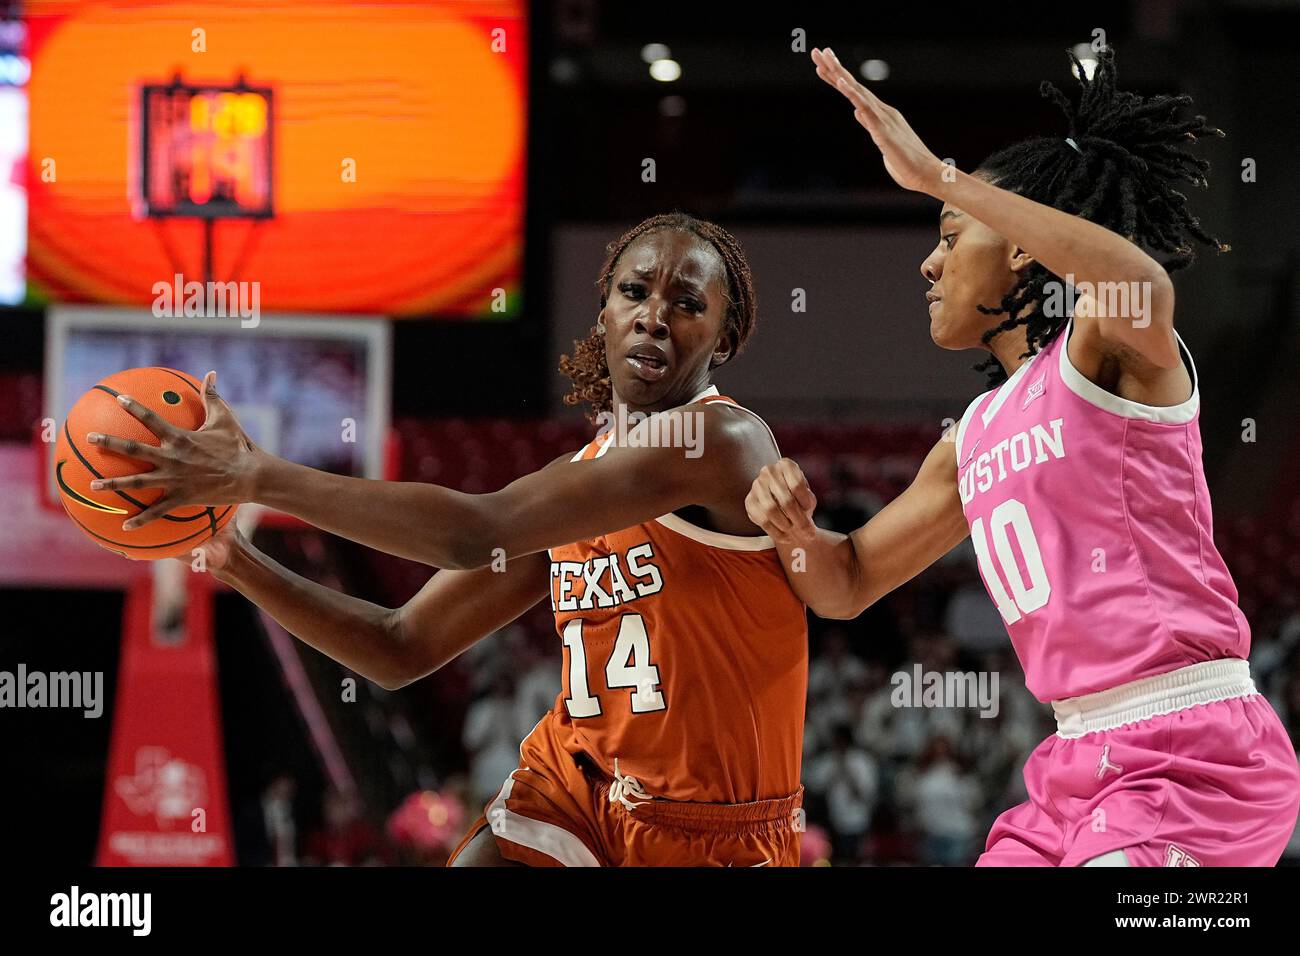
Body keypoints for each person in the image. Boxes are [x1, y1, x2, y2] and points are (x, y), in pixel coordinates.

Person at [88, 213, 809, 867]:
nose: (654, 316)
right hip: (578, 790)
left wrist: (257, 476)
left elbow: (473, 533)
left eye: (687, 304)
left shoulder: (722, 441)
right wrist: (237, 561)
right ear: (605, 312)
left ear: (725, 336)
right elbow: (401, 646)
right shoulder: (574, 484)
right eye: (634, 291)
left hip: (716, 828)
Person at [746, 47, 1300, 866]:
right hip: (1073, 763)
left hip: (1193, 749)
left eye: (949, 235)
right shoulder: (968, 437)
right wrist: (792, 528)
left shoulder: (1105, 352)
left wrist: (944, 177)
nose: (929, 263)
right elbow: (848, 583)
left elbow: (1139, 280)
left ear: (1016, 244)